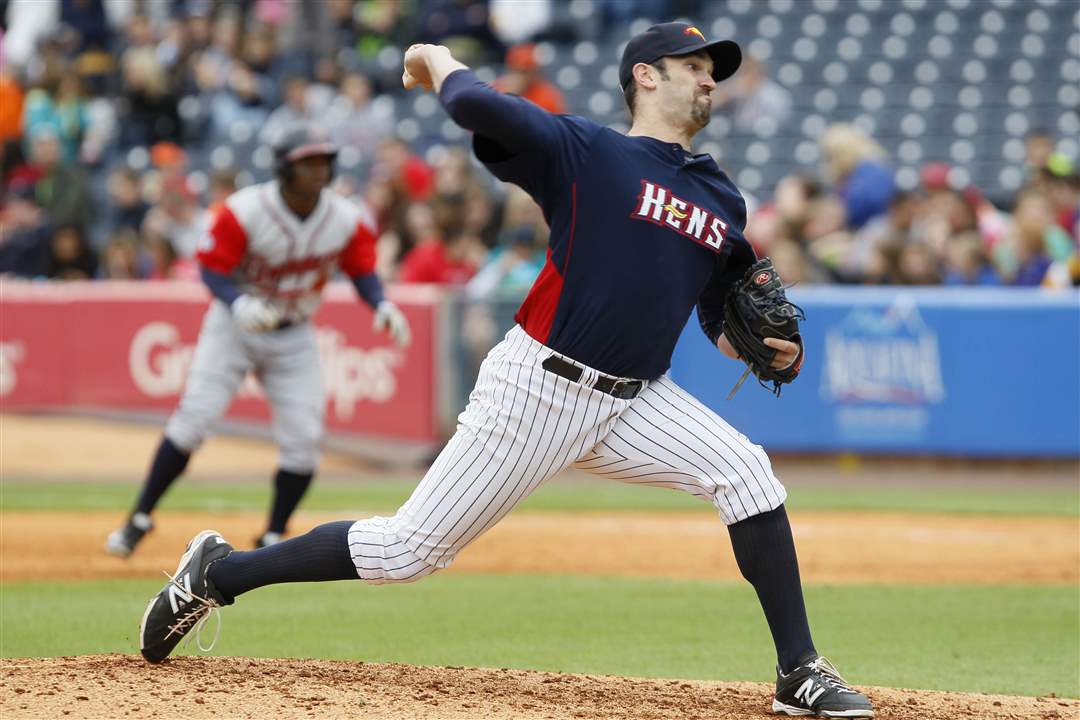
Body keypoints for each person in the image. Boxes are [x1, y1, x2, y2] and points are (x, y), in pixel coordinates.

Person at [135, 24, 874, 719]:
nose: (709, 82)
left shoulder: (720, 195)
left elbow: (718, 311)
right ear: (645, 77)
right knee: (406, 551)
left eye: (714, 73)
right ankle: (219, 573)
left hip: (636, 399)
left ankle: (798, 671)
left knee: (746, 472)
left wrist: (763, 346)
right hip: (539, 389)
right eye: (694, 68)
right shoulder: (588, 153)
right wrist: (435, 59)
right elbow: (477, 105)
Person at [105, 123, 411, 558]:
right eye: (308, 162)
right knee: (194, 420)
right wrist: (237, 301)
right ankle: (139, 518)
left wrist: (380, 304)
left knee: (304, 441)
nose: (318, 170)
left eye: (324, 161)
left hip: (294, 332)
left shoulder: (343, 216)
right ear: (284, 167)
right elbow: (212, 268)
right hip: (235, 327)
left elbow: (361, 269)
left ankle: (272, 535)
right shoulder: (246, 210)